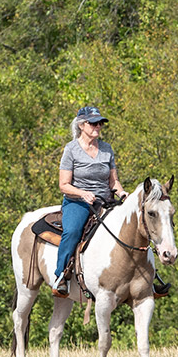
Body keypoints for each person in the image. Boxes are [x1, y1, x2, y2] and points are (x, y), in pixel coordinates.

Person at [53, 105, 129, 297]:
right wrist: (82, 193)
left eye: (100, 123)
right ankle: (61, 274)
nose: (97, 126)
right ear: (81, 125)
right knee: (72, 231)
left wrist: (122, 193)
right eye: (93, 123)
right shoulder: (71, 150)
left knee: (134, 226)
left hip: (105, 200)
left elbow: (113, 181)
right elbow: (64, 185)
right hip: (77, 202)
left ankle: (145, 278)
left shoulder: (106, 149)